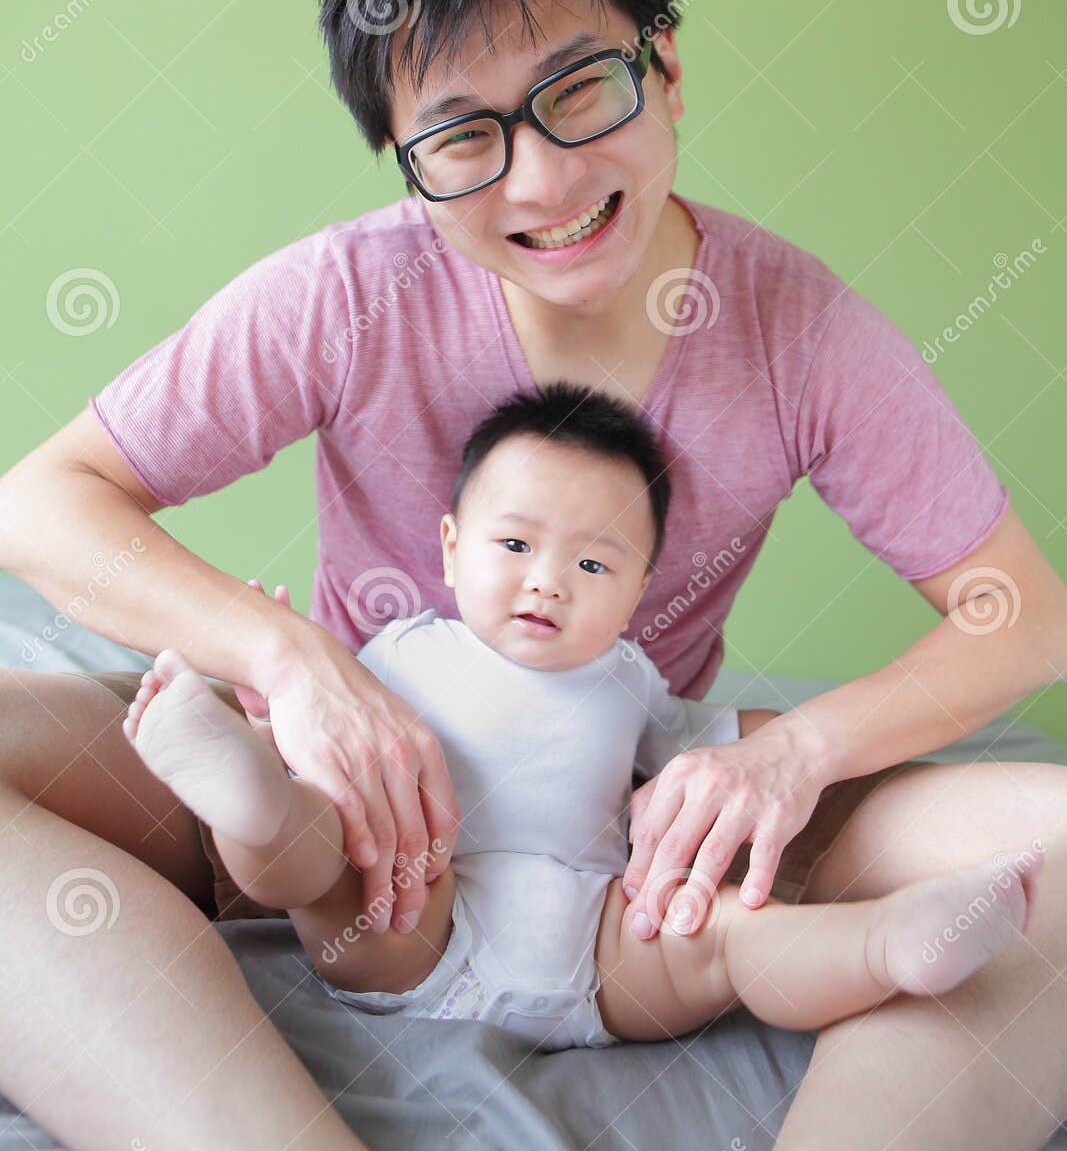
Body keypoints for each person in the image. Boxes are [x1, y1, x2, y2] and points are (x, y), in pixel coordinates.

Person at [0, 0, 1064, 1151]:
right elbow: (42, 500)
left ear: (664, 67)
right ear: (404, 161)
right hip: (331, 816)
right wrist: (293, 663)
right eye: (462, 137)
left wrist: (796, 754)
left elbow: (1016, 608)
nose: (544, 182)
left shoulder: (791, 325)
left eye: (579, 90)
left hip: (638, 829)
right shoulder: (345, 293)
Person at [121, 382, 1044, 1055]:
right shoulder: (400, 651)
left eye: (594, 566)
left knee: (723, 936)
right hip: (415, 915)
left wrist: (831, 745)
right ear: (451, 548)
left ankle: (896, 942)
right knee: (330, 840)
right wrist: (276, 718)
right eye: (515, 543)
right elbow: (342, 747)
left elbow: (737, 747)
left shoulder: (632, 683)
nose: (546, 580)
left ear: (641, 589)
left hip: (600, 953)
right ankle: (240, 783)